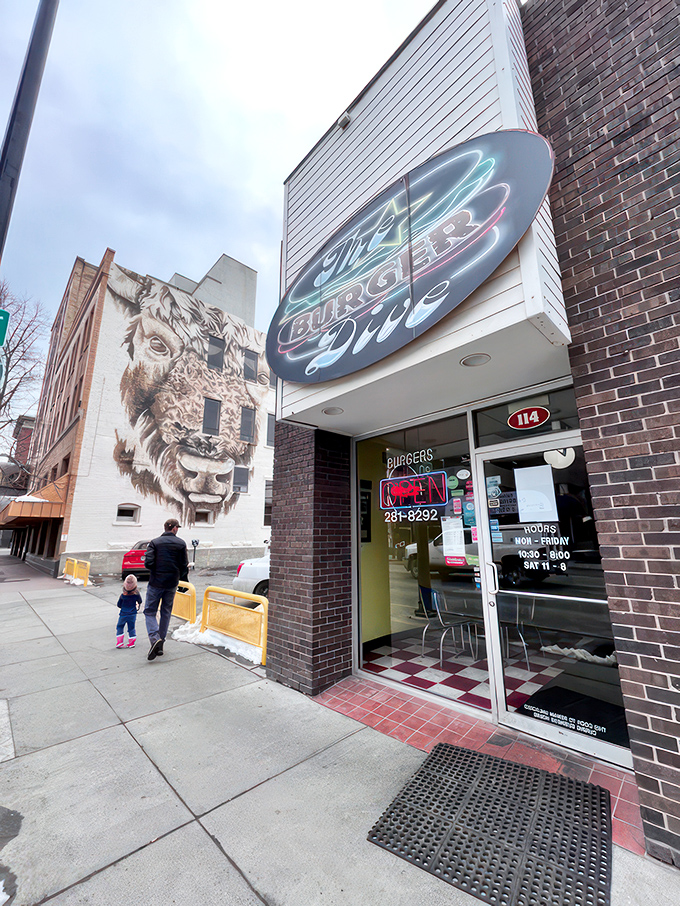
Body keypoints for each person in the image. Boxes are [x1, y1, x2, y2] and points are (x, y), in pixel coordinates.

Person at [144, 517, 189, 661]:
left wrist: (157, 569)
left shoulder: (155, 543)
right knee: (166, 612)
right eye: (177, 527)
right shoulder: (181, 544)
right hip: (171, 583)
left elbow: (148, 563)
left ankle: (154, 638)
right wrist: (180, 577)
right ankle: (160, 643)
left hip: (156, 582)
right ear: (174, 528)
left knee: (150, 611)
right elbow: (184, 565)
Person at [116, 574, 142, 648]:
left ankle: (120, 642)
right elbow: (140, 601)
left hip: (123, 614)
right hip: (132, 614)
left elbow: (119, 605)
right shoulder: (136, 594)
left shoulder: (122, 596)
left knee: (120, 627)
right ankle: (131, 643)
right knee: (131, 628)